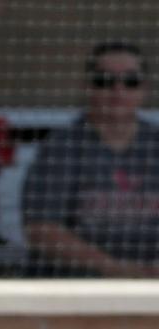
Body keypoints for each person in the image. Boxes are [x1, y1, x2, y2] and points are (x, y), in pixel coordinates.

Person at [18, 42, 159, 278]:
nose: (118, 91)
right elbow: (41, 230)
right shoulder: (62, 148)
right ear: (87, 87)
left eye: (130, 81)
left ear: (144, 88)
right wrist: (116, 270)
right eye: (104, 81)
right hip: (76, 285)